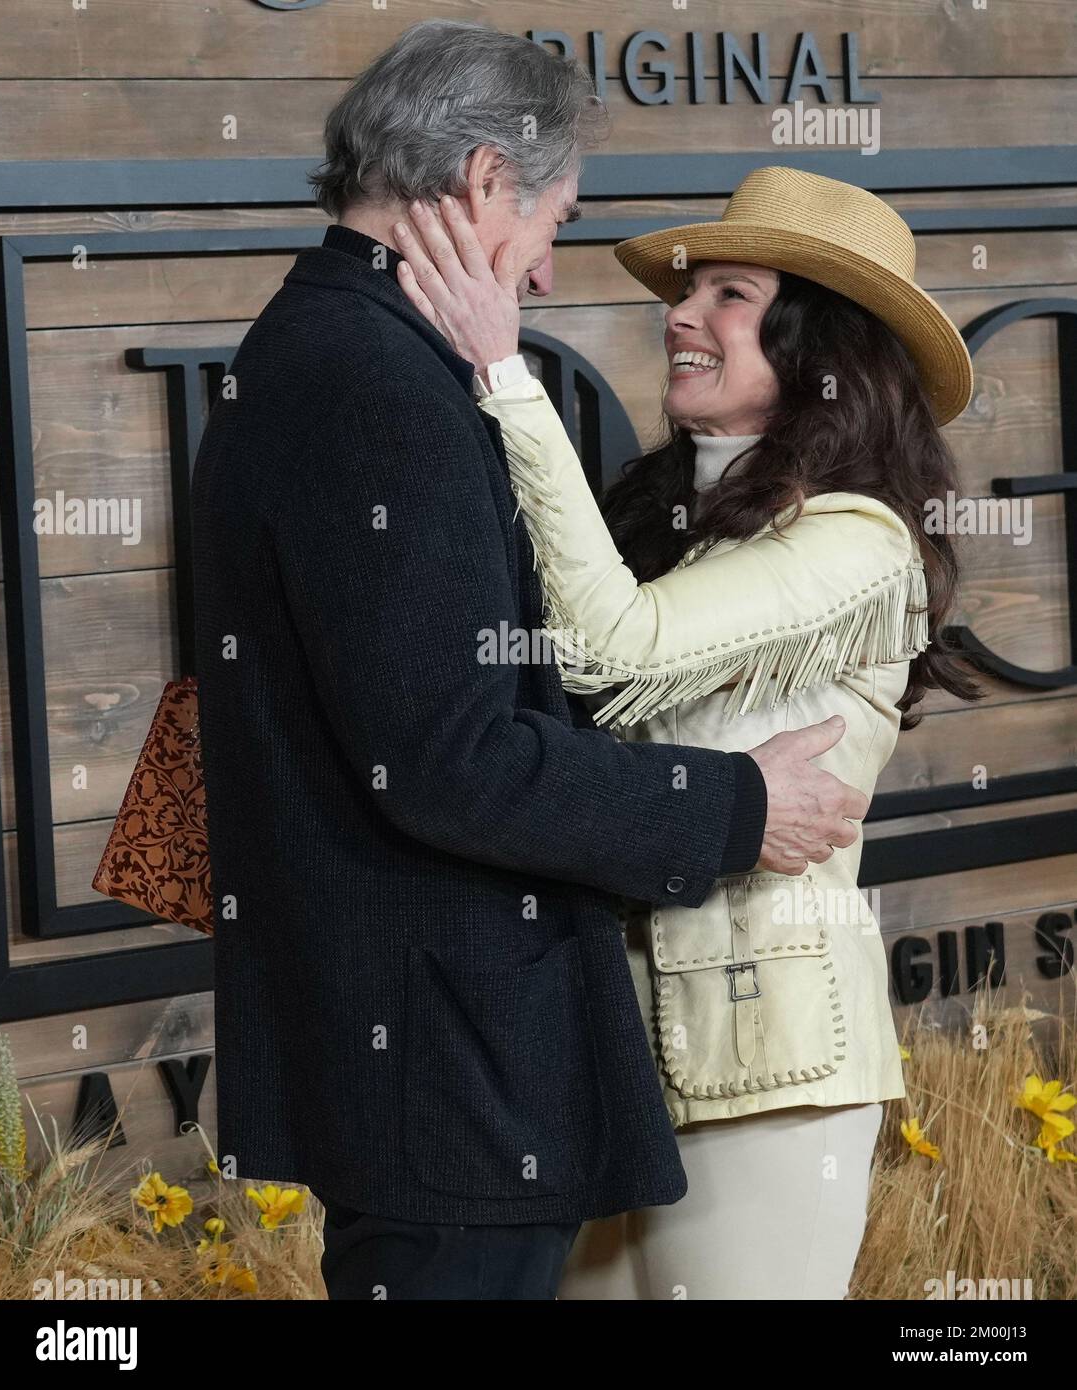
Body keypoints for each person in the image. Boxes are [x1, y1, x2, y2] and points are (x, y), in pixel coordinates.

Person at [189, 28, 866, 1301]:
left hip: (420, 1055)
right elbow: (451, 760)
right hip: (450, 1073)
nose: (547, 269)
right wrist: (737, 805)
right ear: (486, 182)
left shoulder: (317, 347)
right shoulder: (382, 386)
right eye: (552, 219)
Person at [394, 164, 979, 1299]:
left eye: (728, 296)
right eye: (687, 291)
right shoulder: (665, 521)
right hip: (606, 1057)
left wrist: (502, 373)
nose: (680, 315)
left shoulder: (861, 541)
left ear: (820, 351)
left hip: (769, 1073)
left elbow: (620, 652)